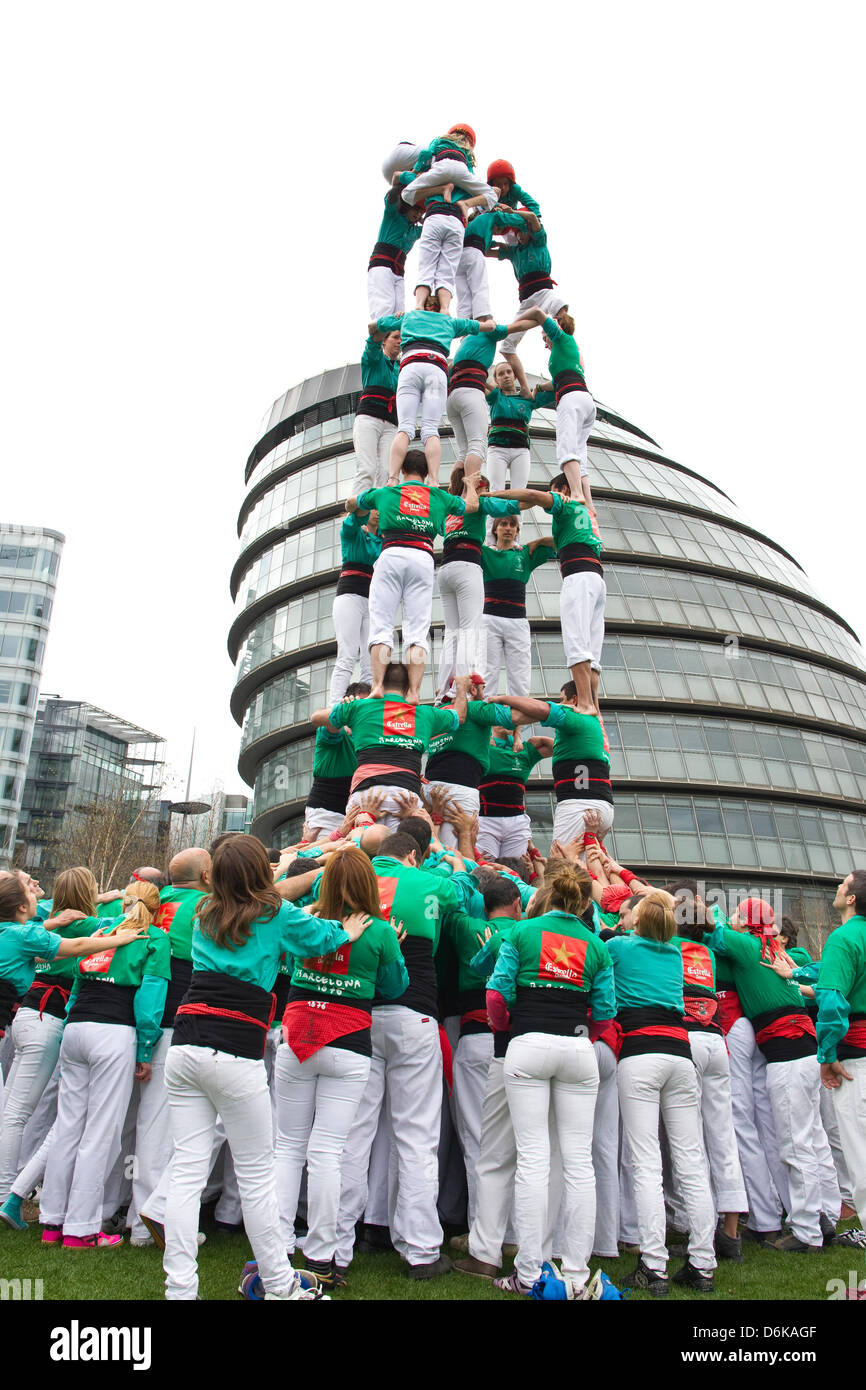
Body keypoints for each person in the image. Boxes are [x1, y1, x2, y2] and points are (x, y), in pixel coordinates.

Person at [161, 835, 371, 1300]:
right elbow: (323, 937)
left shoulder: (202, 913)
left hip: (186, 1044)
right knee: (257, 1176)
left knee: (186, 1172)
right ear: (260, 872)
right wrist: (348, 932)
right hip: (235, 1051)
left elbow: (257, 901)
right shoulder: (275, 916)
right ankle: (279, 1286)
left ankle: (180, 1289)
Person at [274, 848, 409, 1289]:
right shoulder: (382, 931)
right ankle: (320, 1254)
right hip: (349, 1043)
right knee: (328, 1151)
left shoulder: (306, 920)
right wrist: (391, 949)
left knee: (288, 1147)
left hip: (298, 1036)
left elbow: (287, 959)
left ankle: (275, 1247)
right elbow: (395, 987)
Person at [335, 831, 464, 1278]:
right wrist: (448, 859)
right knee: (416, 1138)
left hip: (357, 1018)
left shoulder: (348, 878)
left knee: (352, 1135)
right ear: (413, 855)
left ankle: (334, 1246)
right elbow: (463, 891)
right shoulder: (426, 879)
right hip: (415, 1018)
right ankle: (422, 1251)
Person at [485, 863, 615, 1298]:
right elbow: (606, 1012)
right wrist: (583, 1036)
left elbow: (497, 994)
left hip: (527, 1045)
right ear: (582, 902)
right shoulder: (596, 944)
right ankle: (576, 1272)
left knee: (533, 1160)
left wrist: (506, 1026)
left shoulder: (521, 933)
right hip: (578, 1051)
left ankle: (528, 1274)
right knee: (579, 1163)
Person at [38, 880, 171, 1249]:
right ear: (157, 908)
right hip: (114, 1033)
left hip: (78, 1028)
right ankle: (81, 1228)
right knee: (101, 1132)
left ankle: (52, 1220)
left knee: (68, 1127)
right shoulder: (154, 938)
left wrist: (67, 1033)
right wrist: (145, 1050)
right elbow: (149, 1002)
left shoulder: (101, 931)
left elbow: (77, 987)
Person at [705, 896, 840, 1253]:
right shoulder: (769, 947)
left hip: (786, 1058)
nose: (731, 918)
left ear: (747, 923)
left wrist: (713, 911)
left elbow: (711, 927)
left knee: (795, 1146)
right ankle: (826, 1215)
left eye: (737, 914)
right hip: (803, 1051)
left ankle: (807, 1231)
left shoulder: (748, 946)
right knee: (813, 1140)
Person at [607, 890, 718, 1296]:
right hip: (680, 1056)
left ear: (636, 920)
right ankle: (702, 1263)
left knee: (646, 1163)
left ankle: (653, 1265)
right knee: (691, 1161)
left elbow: (602, 946)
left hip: (639, 1055)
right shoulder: (674, 954)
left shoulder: (618, 945)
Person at [127, 849, 213, 1247]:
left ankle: (131, 1213)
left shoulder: (151, 900)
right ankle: (144, 1224)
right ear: (207, 875)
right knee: (158, 1127)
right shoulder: (206, 905)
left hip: (139, 1020)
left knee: (140, 1125)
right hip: (169, 1023)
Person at [348, 449, 476, 699]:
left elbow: (352, 503)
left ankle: (376, 686)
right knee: (417, 630)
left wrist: (356, 503)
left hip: (391, 554)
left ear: (403, 470)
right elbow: (471, 505)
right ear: (427, 472)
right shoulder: (438, 496)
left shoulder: (385, 492)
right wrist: (470, 485)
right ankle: (414, 693)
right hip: (422, 557)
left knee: (382, 625)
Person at [489, 475, 604, 714]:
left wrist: (492, 495)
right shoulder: (588, 514)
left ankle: (584, 704)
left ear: (562, 489)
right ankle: (594, 706)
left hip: (578, 578)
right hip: (597, 579)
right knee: (592, 652)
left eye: (553, 492)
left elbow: (531, 496)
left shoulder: (565, 504)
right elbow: (560, 541)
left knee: (576, 644)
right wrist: (541, 539)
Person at [311, 666, 469, 830]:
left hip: (366, 794)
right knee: (402, 850)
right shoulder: (425, 714)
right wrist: (462, 687)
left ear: (376, 685)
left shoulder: (359, 707)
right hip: (405, 797)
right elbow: (460, 716)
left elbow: (316, 718)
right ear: (408, 689)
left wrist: (346, 707)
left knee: (360, 852)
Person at [814, 870, 866, 1296]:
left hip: (856, 1059)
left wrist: (827, 1055)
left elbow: (832, 998)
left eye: (842, 884)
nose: (837, 888)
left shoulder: (845, 938)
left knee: (859, 1151)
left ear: (851, 898)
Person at [370, 307, 492, 485]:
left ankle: (393, 478)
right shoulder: (449, 321)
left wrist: (395, 318)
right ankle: (433, 480)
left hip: (411, 365)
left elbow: (372, 327)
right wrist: (490, 323)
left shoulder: (410, 316)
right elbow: (486, 326)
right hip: (436, 368)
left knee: (405, 428)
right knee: (430, 429)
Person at [436, 470, 520, 699]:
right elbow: (511, 508)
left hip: (445, 570)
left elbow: (439, 528)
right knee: (469, 631)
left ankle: (443, 690)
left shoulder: (451, 509)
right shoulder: (480, 502)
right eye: (485, 487)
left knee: (452, 633)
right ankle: (458, 689)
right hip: (466, 566)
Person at [499, 684, 613, 845]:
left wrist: (501, 698)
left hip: (578, 805)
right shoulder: (595, 724)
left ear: (574, 700)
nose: (560, 704)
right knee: (588, 864)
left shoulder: (576, 718)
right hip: (601, 804)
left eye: (562, 700)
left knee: (562, 863)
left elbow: (540, 709)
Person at [399, 126, 497, 312]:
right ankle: (444, 309)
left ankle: (419, 306)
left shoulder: (439, 141)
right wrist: (469, 203)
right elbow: (489, 196)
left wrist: (419, 170)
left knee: (426, 266)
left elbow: (426, 154)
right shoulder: (467, 156)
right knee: (447, 270)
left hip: (435, 215)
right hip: (456, 220)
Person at [446, 312, 540, 481]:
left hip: (452, 397)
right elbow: (518, 326)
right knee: (477, 446)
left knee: (462, 452)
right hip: (470, 392)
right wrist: (542, 320)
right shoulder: (488, 331)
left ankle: (456, 492)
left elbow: (447, 371)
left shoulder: (463, 343)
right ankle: (470, 493)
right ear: (483, 321)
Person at [425, 677, 515, 849]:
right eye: (482, 688)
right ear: (473, 689)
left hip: (430, 789)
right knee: (456, 855)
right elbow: (514, 717)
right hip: (459, 790)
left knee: (430, 852)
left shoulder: (437, 712)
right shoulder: (475, 708)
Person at [480, 514, 554, 696]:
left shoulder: (525, 553)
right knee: (486, 676)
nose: (508, 528)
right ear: (495, 530)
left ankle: (516, 724)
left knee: (520, 678)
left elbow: (560, 539)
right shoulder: (484, 552)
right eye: (503, 524)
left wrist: (539, 541)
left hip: (518, 622)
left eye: (512, 525)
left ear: (517, 531)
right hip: (489, 620)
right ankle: (486, 721)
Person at [492, 224, 568, 394]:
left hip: (544, 292)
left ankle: (568, 364)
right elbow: (489, 253)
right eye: (516, 233)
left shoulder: (539, 241)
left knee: (561, 314)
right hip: (526, 302)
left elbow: (533, 218)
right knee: (506, 345)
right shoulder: (514, 251)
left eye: (522, 232)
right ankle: (525, 388)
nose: (519, 236)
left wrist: (511, 211)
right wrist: (478, 242)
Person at [534, 312, 596, 511]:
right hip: (585, 399)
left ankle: (576, 493)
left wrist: (538, 311)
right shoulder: (571, 350)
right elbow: (556, 381)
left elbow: (541, 316)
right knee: (579, 453)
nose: (545, 344)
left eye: (545, 337)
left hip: (571, 399)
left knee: (566, 449)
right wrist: (540, 388)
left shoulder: (562, 339)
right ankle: (589, 502)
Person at [329, 510, 382, 703]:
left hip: (372, 602)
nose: (377, 512)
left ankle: (368, 706)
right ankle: (335, 707)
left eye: (379, 509)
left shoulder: (382, 540)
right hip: (349, 597)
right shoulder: (352, 533)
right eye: (372, 509)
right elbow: (350, 522)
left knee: (370, 661)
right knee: (347, 656)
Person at [476, 725, 549, 860]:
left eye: (510, 717)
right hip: (486, 822)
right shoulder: (482, 745)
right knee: (485, 871)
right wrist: (484, 735)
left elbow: (559, 746)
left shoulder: (525, 750)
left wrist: (518, 736)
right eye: (502, 715)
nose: (506, 721)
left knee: (515, 871)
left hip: (517, 823)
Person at [304, 685, 366, 840]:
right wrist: (344, 710)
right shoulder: (335, 731)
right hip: (326, 813)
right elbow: (323, 720)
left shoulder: (368, 738)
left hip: (355, 813)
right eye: (362, 704)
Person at [455, 207, 535, 320]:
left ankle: (463, 325)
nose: (498, 231)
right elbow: (515, 219)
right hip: (474, 253)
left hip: (458, 258)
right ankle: (481, 318)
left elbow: (485, 241)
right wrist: (523, 225)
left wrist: (496, 243)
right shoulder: (490, 216)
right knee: (479, 285)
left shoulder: (470, 226)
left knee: (463, 294)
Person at [485, 359, 547, 494]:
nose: (506, 375)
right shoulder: (495, 397)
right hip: (497, 449)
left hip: (521, 450)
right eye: (501, 374)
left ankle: (516, 517)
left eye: (509, 372)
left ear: (515, 376)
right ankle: (493, 516)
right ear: (496, 380)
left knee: (519, 493)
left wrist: (539, 388)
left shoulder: (527, 400)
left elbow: (556, 389)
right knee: (495, 491)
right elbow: (478, 383)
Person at [352, 332, 401, 495]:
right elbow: (373, 341)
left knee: (388, 472)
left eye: (401, 338)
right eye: (395, 337)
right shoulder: (374, 359)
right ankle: (359, 515)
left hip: (391, 423)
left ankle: (381, 516)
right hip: (369, 418)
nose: (399, 341)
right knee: (367, 468)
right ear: (384, 341)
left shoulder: (401, 368)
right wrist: (389, 321)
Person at [367, 180, 423, 319]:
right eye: (415, 208)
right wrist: (402, 184)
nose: (418, 213)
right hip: (382, 264)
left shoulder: (414, 231)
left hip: (398, 270)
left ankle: (394, 337)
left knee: (399, 311)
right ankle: (380, 337)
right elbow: (391, 198)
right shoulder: (392, 216)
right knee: (384, 306)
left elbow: (434, 226)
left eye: (420, 211)